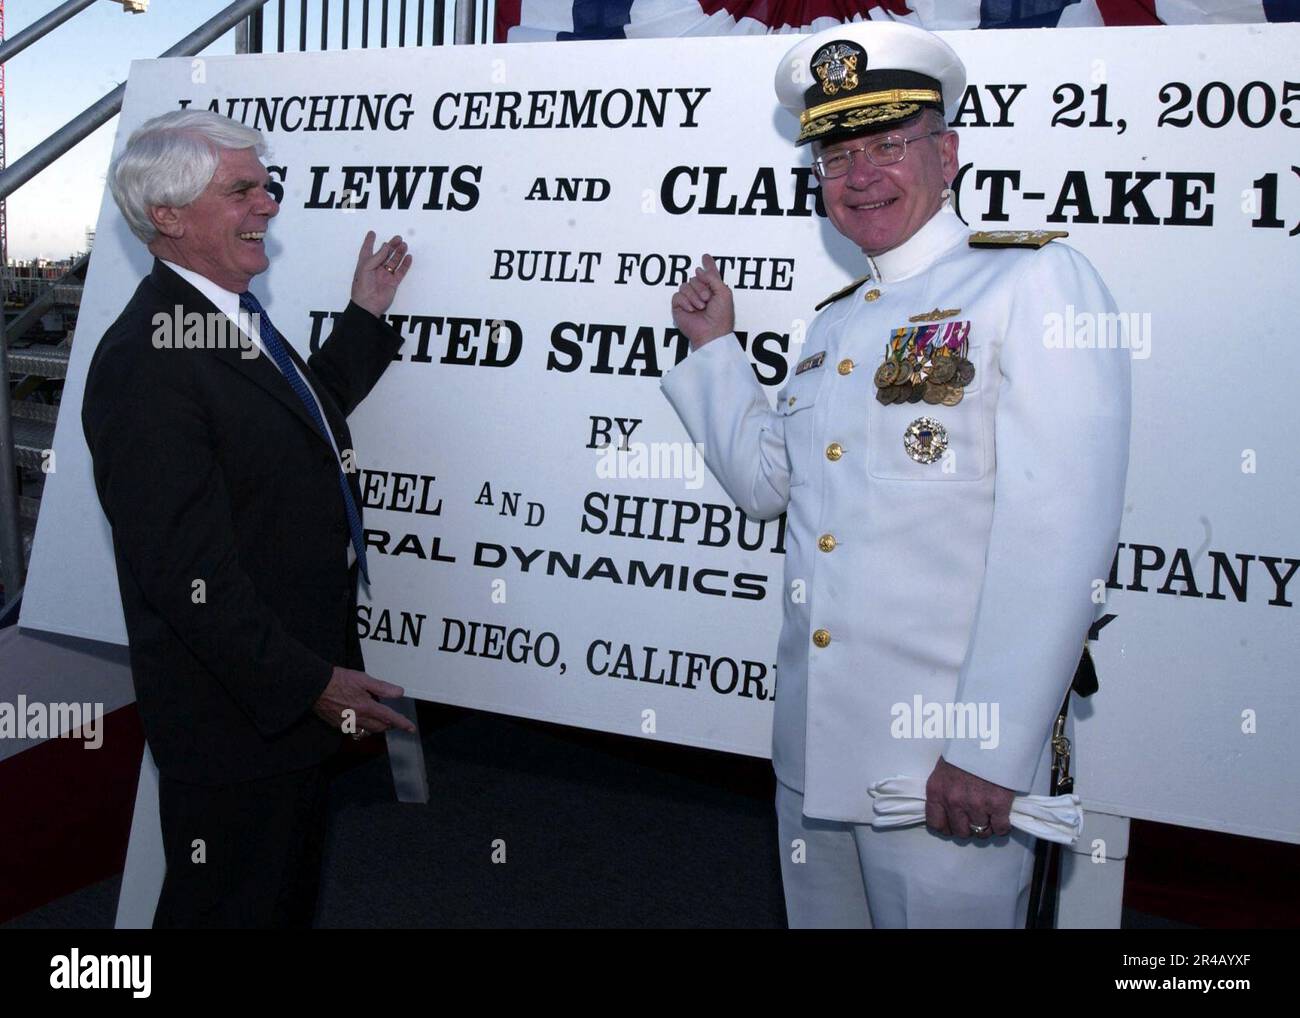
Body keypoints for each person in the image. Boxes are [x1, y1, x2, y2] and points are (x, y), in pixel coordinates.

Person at [662, 22, 1130, 928]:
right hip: (811, 756)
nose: (861, 174)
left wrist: (988, 749)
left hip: (942, 773)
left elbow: (1058, 536)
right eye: (837, 156)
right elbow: (769, 489)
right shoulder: (835, 326)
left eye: (887, 144)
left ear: (947, 154)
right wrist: (716, 354)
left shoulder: (1035, 284)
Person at [82, 110, 417, 928]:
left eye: (266, 185)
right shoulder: (146, 362)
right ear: (167, 216)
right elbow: (186, 576)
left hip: (283, 704)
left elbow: (301, 416)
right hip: (238, 721)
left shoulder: (230, 316)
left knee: (275, 902)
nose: (268, 203)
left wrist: (364, 316)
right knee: (228, 908)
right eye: (242, 189)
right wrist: (310, 684)